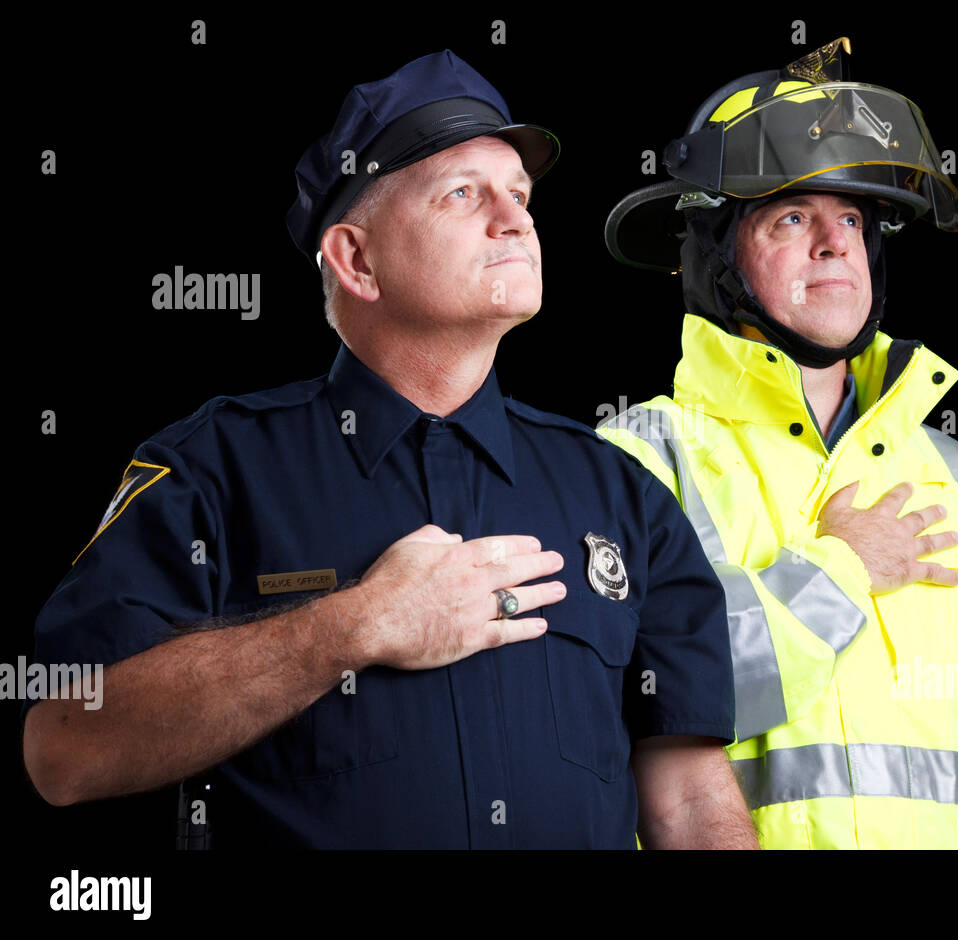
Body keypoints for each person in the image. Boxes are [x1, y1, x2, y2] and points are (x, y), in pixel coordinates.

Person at [22, 50, 756, 850]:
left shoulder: (624, 494)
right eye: (463, 193)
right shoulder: (210, 470)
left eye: (519, 194)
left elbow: (687, 801)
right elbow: (63, 747)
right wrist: (354, 626)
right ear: (356, 259)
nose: (515, 219)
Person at [598, 38, 958, 849]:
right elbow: (635, 701)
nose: (835, 244)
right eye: (793, 217)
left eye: (854, 221)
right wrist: (839, 572)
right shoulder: (636, 460)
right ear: (716, 256)